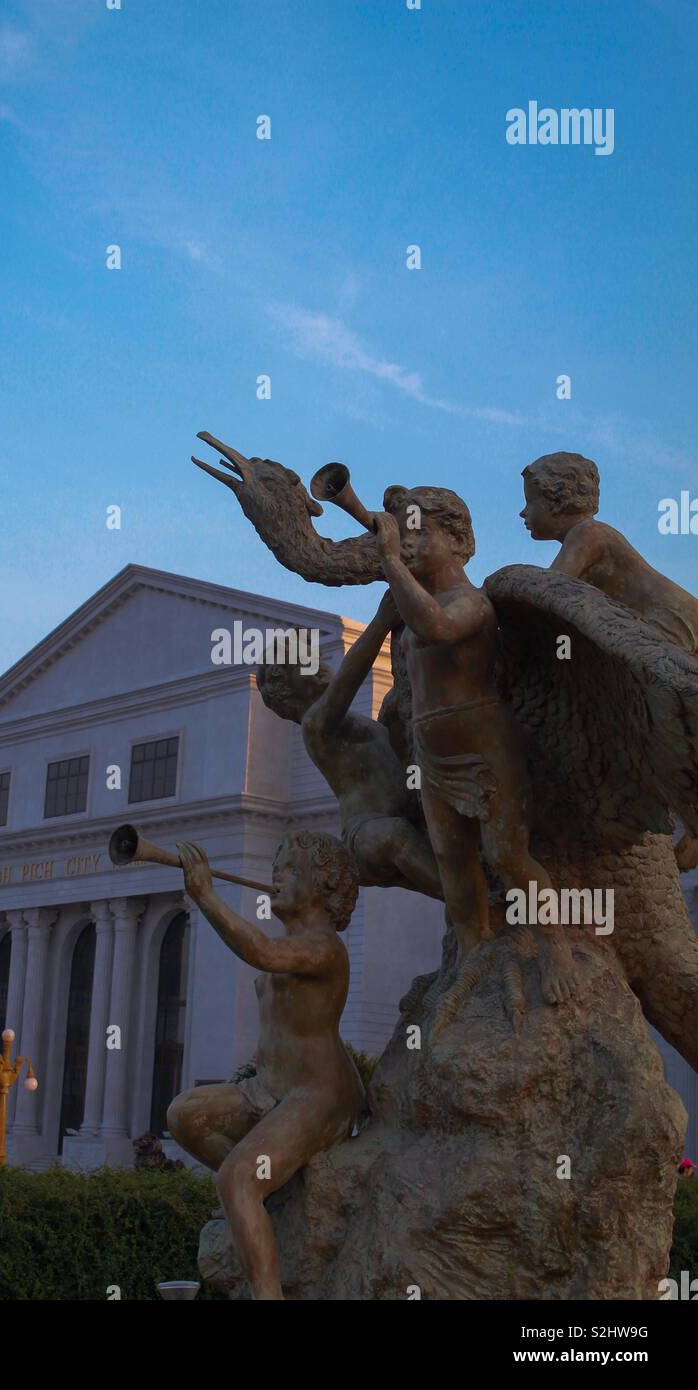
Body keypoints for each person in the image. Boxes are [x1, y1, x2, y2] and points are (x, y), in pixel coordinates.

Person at [373, 484, 577, 1003]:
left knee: (507, 856)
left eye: (420, 532)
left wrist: (390, 560)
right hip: (432, 753)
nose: (410, 543)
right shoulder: (409, 602)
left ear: (458, 539)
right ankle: (472, 954)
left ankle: (555, 946)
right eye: (405, 533)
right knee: (453, 864)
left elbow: (437, 627)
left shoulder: (472, 602)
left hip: (485, 747)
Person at [167, 830, 364, 1301]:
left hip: (317, 1094)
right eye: (275, 871)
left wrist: (206, 897)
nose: (276, 879)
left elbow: (262, 953)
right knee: (183, 1116)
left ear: (323, 886)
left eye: (290, 871)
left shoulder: (324, 946)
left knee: (236, 1178)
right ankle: (272, 1187)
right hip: (268, 1088)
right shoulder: (295, 943)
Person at [521, 450, 698, 870]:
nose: (523, 513)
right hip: (668, 618)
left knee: (641, 711)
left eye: (531, 502)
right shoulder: (588, 535)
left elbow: (551, 590)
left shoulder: (589, 535)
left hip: (671, 620)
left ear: (559, 501)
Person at [256, 592, 441, 899]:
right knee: (397, 838)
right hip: (366, 834)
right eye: (303, 666)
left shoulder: (360, 723)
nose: (318, 667)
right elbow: (349, 680)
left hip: (409, 818)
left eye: (313, 659)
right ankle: (473, 905)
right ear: (288, 693)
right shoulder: (315, 725)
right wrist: (381, 623)